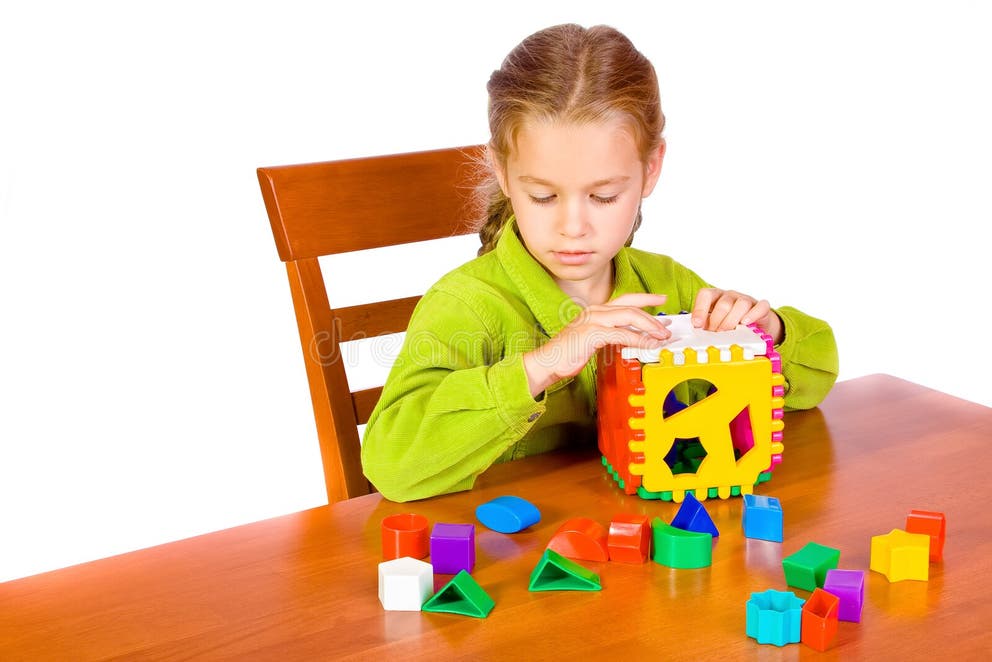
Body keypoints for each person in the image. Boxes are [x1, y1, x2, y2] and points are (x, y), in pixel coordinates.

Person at [361, 24, 838, 502]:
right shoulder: (466, 307)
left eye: (604, 196)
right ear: (503, 173)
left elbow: (819, 372)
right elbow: (391, 466)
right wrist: (542, 365)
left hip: (657, 547)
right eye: (544, 196)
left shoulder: (667, 284)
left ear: (651, 169)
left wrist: (766, 332)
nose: (574, 226)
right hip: (520, 561)